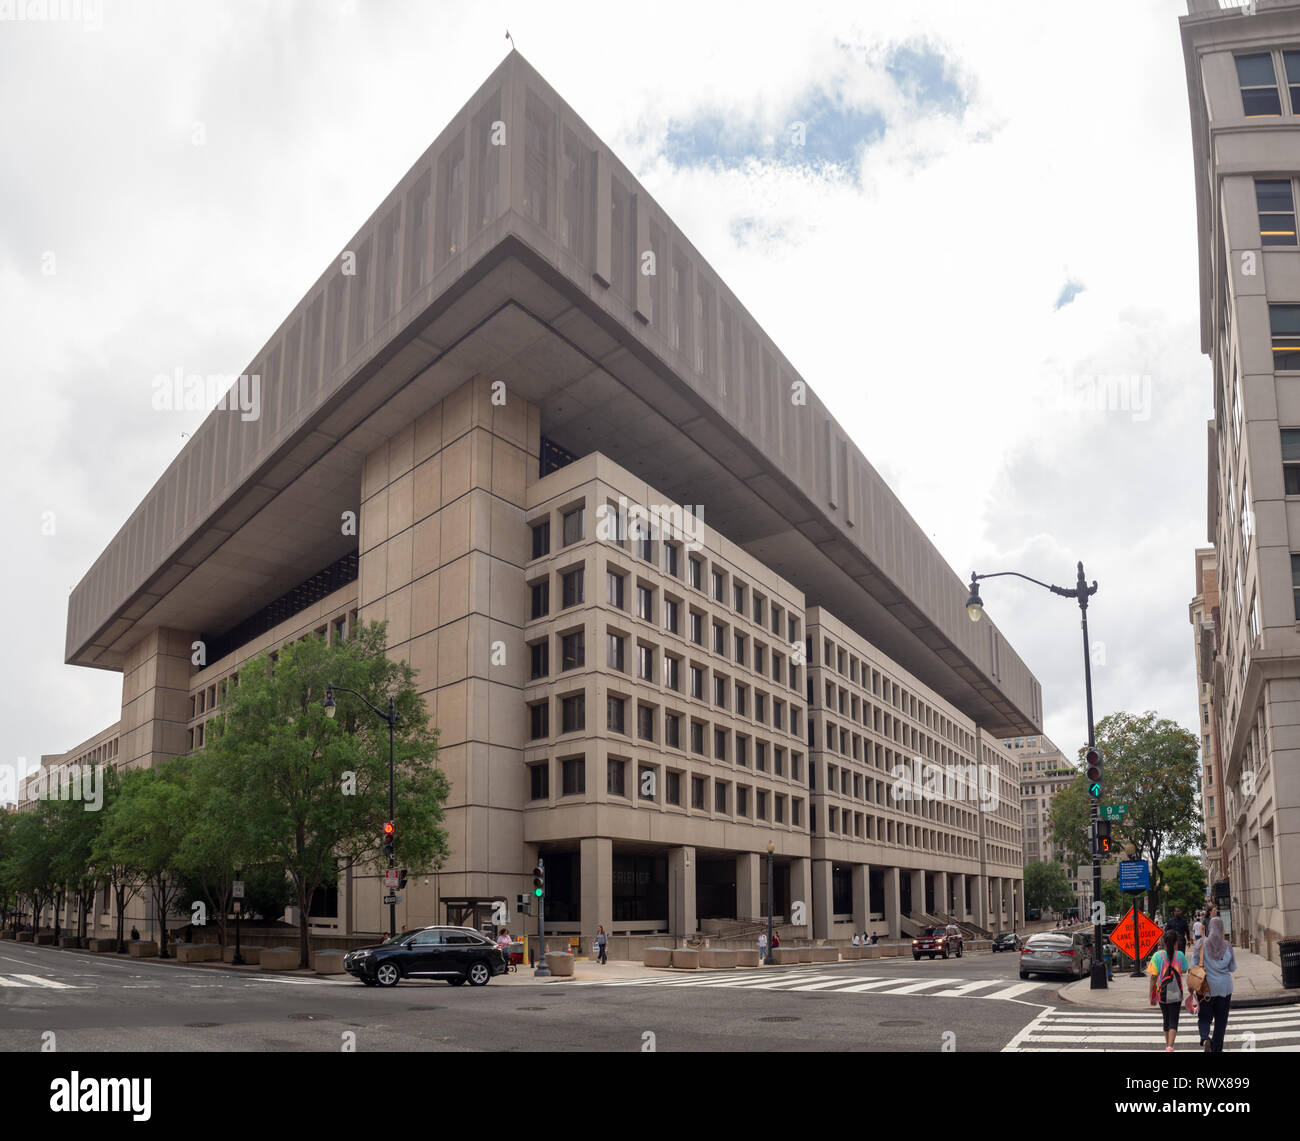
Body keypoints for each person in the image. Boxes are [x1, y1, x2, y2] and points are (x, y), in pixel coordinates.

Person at [1190, 916, 1237, 1053]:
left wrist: (1191, 987)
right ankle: (1217, 1049)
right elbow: (1233, 968)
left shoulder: (1201, 943)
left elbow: (1194, 965)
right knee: (1221, 1022)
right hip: (1224, 988)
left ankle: (1205, 1039)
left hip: (1205, 988)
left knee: (1204, 1016)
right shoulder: (1227, 946)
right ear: (1222, 929)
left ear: (1210, 928)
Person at [1148, 928, 1190, 1052]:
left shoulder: (1157, 956)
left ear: (1163, 942)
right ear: (1176, 942)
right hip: (1176, 992)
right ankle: (1170, 1046)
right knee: (1174, 1020)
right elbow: (1183, 970)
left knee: (1166, 1019)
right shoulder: (1180, 955)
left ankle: (1168, 1045)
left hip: (1162, 993)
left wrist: (1151, 994)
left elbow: (1153, 977)